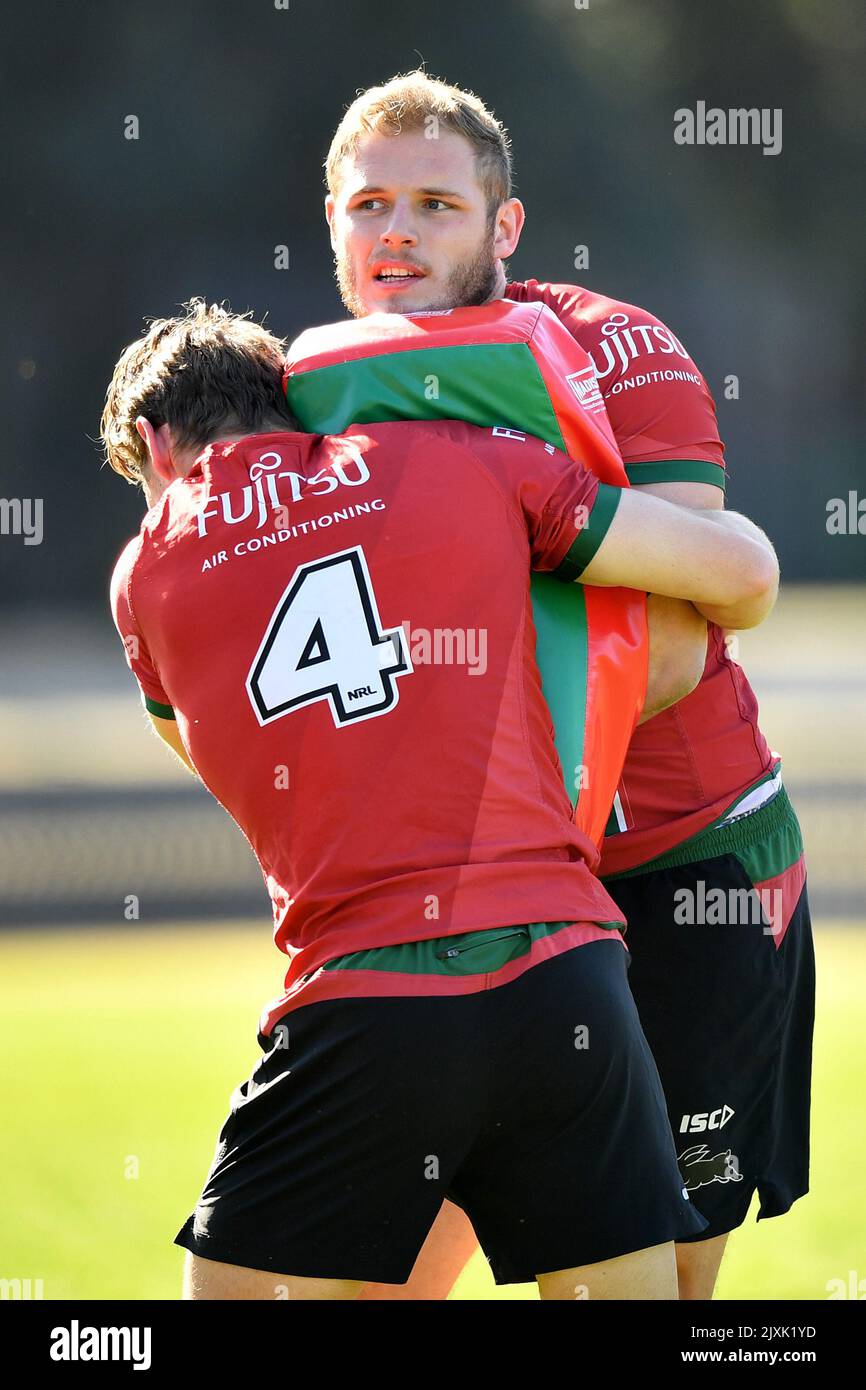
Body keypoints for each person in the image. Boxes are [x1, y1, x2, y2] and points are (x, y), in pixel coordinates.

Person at [103, 300, 778, 1300]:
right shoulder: (459, 453)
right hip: (569, 984)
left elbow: (209, 745)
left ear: (158, 449)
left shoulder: (145, 570)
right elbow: (742, 575)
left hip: (363, 1003)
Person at [322, 69, 815, 1301]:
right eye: (368, 203)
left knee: (649, 1295)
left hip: (681, 870)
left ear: (505, 226)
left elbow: (673, 644)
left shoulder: (606, 346)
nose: (397, 232)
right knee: (372, 1275)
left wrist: (440, 763)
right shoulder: (317, 388)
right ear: (329, 221)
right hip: (480, 899)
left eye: (436, 203)